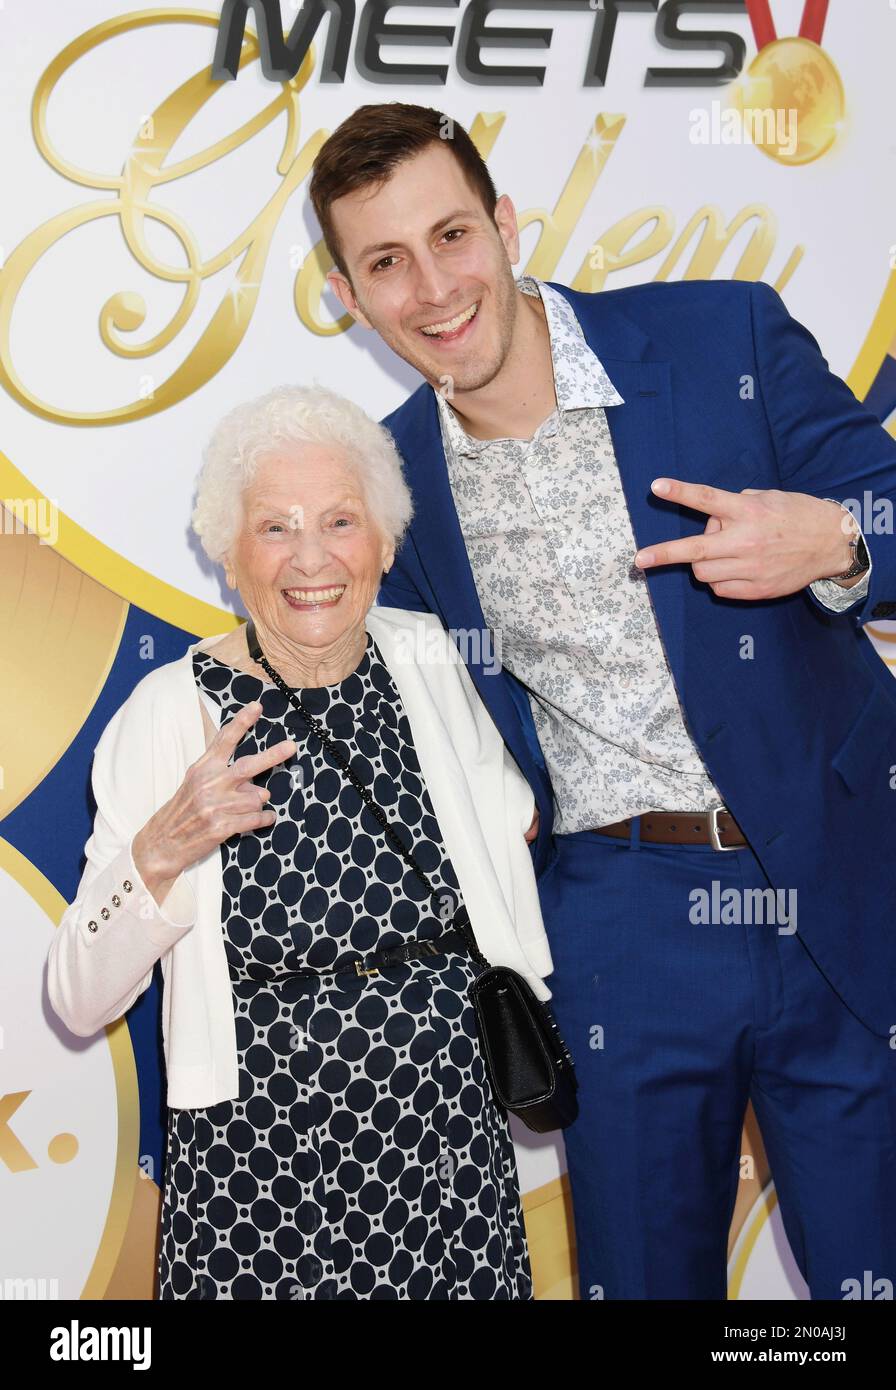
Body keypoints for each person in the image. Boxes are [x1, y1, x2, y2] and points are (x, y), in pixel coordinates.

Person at [308, 102, 896, 1301]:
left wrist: (835, 540)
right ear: (347, 296)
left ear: (506, 224)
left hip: (838, 885)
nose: (431, 288)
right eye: (385, 263)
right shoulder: (389, 486)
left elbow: (881, 508)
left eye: (452, 236)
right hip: (622, 928)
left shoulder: (719, 328)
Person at [47, 383, 553, 1301]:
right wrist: (161, 850)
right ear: (228, 555)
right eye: (274, 528)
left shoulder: (436, 662)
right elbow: (77, 998)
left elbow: (514, 815)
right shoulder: (169, 715)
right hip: (258, 1162)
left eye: (340, 522)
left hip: (446, 1134)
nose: (310, 559)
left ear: (387, 544)